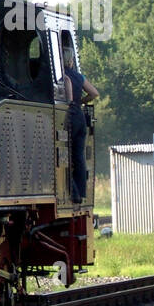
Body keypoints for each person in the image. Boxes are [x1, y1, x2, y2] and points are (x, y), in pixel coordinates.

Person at [61, 47, 100, 203]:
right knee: (79, 156)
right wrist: (81, 101)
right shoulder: (79, 77)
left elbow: (68, 100)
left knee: (65, 155)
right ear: (71, 60)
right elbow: (94, 93)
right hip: (80, 117)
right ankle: (81, 192)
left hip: (69, 116)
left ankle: (73, 192)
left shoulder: (62, 77)